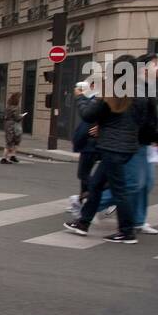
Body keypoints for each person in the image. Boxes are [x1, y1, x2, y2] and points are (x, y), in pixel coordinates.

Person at [62, 58, 142, 243]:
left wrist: (81, 97)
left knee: (119, 191)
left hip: (112, 147)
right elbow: (139, 120)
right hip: (125, 146)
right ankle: (83, 222)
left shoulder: (113, 92)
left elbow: (89, 114)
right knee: (96, 185)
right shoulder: (138, 93)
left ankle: (127, 232)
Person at [95, 54, 158, 234]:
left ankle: (137, 220)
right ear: (143, 68)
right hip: (130, 144)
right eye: (156, 65)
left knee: (144, 184)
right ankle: (89, 205)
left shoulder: (147, 88)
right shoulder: (136, 89)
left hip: (142, 143)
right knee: (131, 185)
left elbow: (148, 120)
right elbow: (142, 121)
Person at [67, 81, 98, 217]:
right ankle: (81, 201)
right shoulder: (92, 100)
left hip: (91, 144)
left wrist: (80, 97)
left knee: (84, 175)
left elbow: (86, 116)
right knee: (84, 175)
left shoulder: (95, 100)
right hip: (89, 143)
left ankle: (98, 197)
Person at [0, 93, 23, 164]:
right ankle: (4, 158)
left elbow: (5, 116)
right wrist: (21, 116)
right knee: (13, 141)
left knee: (10, 141)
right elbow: (17, 118)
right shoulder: (16, 108)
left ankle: (12, 156)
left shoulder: (8, 107)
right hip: (13, 126)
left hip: (8, 125)